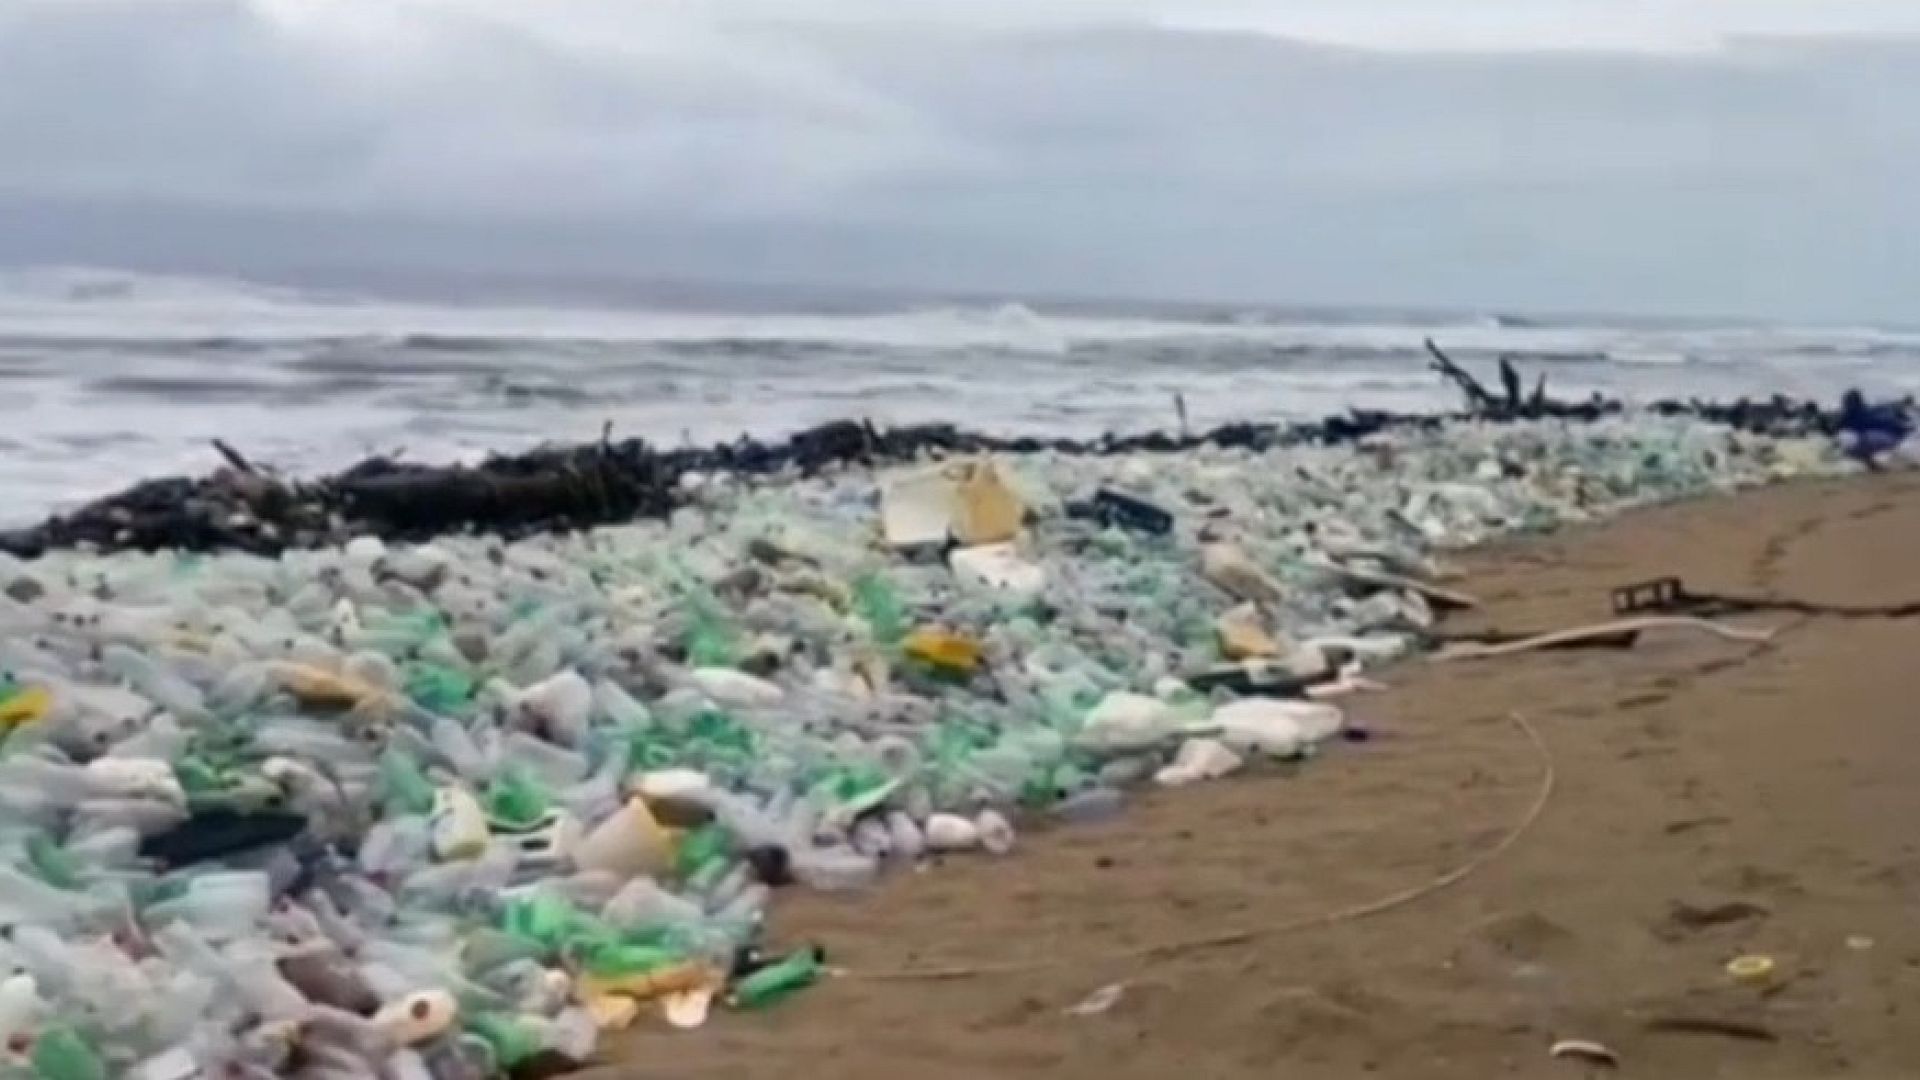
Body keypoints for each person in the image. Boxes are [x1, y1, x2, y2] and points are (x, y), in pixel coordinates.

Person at [1838, 389, 1913, 470]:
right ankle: (1871, 463)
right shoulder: (1868, 411)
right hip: (1887, 439)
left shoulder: (1855, 414)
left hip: (1880, 439)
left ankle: (1871, 462)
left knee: (1852, 440)